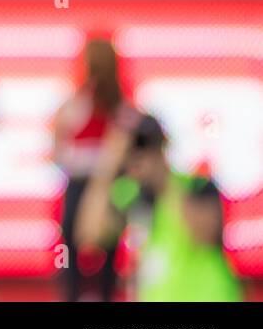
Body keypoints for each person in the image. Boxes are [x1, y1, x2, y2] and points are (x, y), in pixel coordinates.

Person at [75, 111, 244, 302]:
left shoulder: (195, 185)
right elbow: (90, 235)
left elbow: (204, 234)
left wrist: (163, 180)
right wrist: (108, 167)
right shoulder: (130, 193)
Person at [52, 37, 130, 301]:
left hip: (106, 185)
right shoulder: (79, 104)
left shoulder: (117, 107)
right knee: (75, 254)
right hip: (84, 183)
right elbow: (58, 148)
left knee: (105, 253)